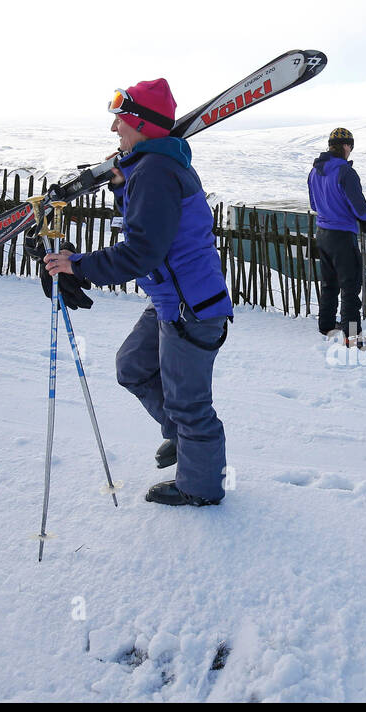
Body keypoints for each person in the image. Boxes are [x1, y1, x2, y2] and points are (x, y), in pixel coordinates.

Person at [43, 78, 233, 506]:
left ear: (141, 124)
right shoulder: (155, 167)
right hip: (173, 300)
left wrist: (79, 265)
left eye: (120, 121)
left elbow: (142, 251)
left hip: (191, 308)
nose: (115, 131)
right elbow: (150, 224)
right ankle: (184, 441)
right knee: (132, 365)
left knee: (191, 405)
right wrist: (120, 181)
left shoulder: (156, 172)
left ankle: (200, 488)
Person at [307, 127, 366, 348]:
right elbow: (361, 208)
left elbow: (314, 205)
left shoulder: (314, 172)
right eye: (351, 147)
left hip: (322, 234)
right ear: (346, 146)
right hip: (343, 236)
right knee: (350, 287)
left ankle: (326, 325)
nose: (350, 151)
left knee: (329, 283)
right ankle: (353, 337)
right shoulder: (345, 172)